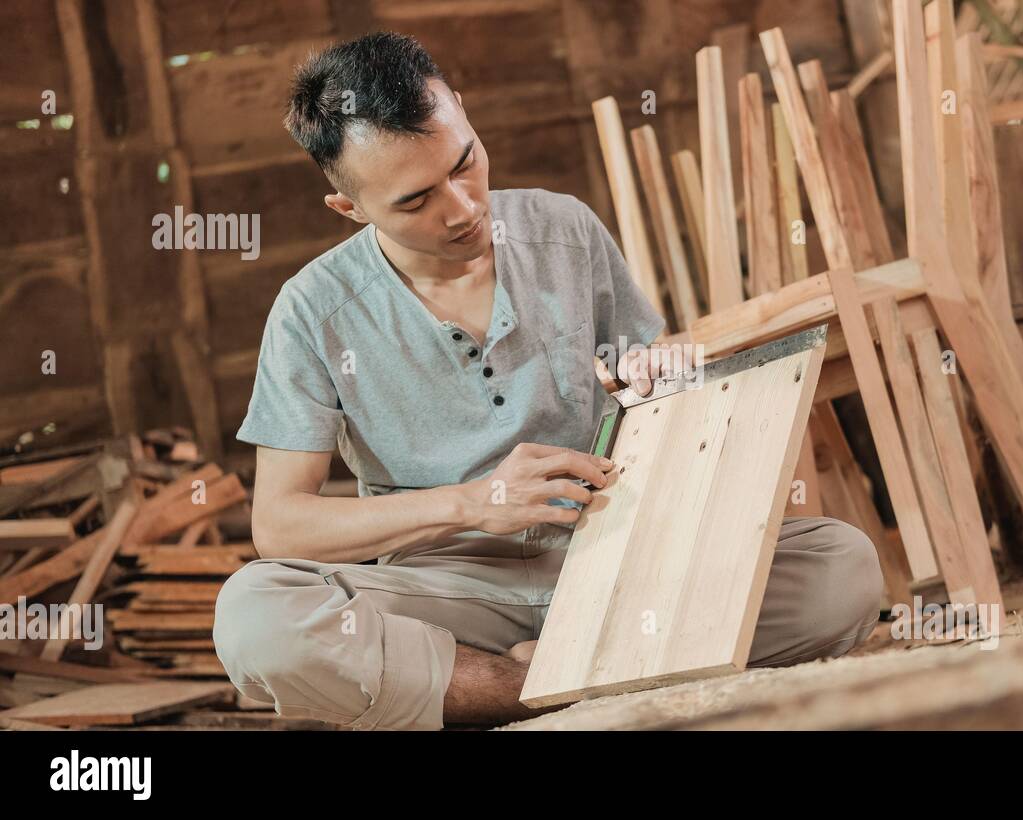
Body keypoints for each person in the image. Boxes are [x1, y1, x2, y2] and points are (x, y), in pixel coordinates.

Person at [212, 32, 883, 729]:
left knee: (842, 569)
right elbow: (282, 527)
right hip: (445, 591)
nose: (464, 207)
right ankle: (531, 683)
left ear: (464, 115)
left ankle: (523, 677)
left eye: (464, 162)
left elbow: (653, 393)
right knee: (255, 618)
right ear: (351, 210)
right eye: (416, 203)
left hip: (610, 560)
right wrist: (471, 504)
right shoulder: (312, 311)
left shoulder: (564, 229)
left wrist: (662, 385)